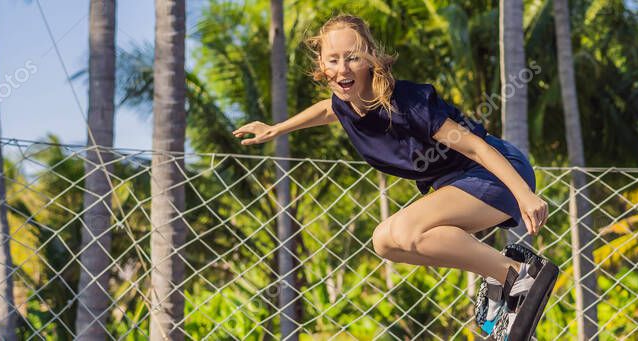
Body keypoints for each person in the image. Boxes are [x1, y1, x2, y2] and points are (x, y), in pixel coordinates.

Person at [232, 14, 559, 340]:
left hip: (497, 172)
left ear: (370, 59)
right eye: (333, 59)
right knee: (385, 241)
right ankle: (501, 272)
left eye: (352, 57)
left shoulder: (408, 103)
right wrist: (276, 128)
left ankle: (518, 275)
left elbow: (474, 147)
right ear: (322, 64)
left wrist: (523, 194)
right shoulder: (345, 103)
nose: (343, 68)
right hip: (459, 184)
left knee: (405, 229)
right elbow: (326, 109)